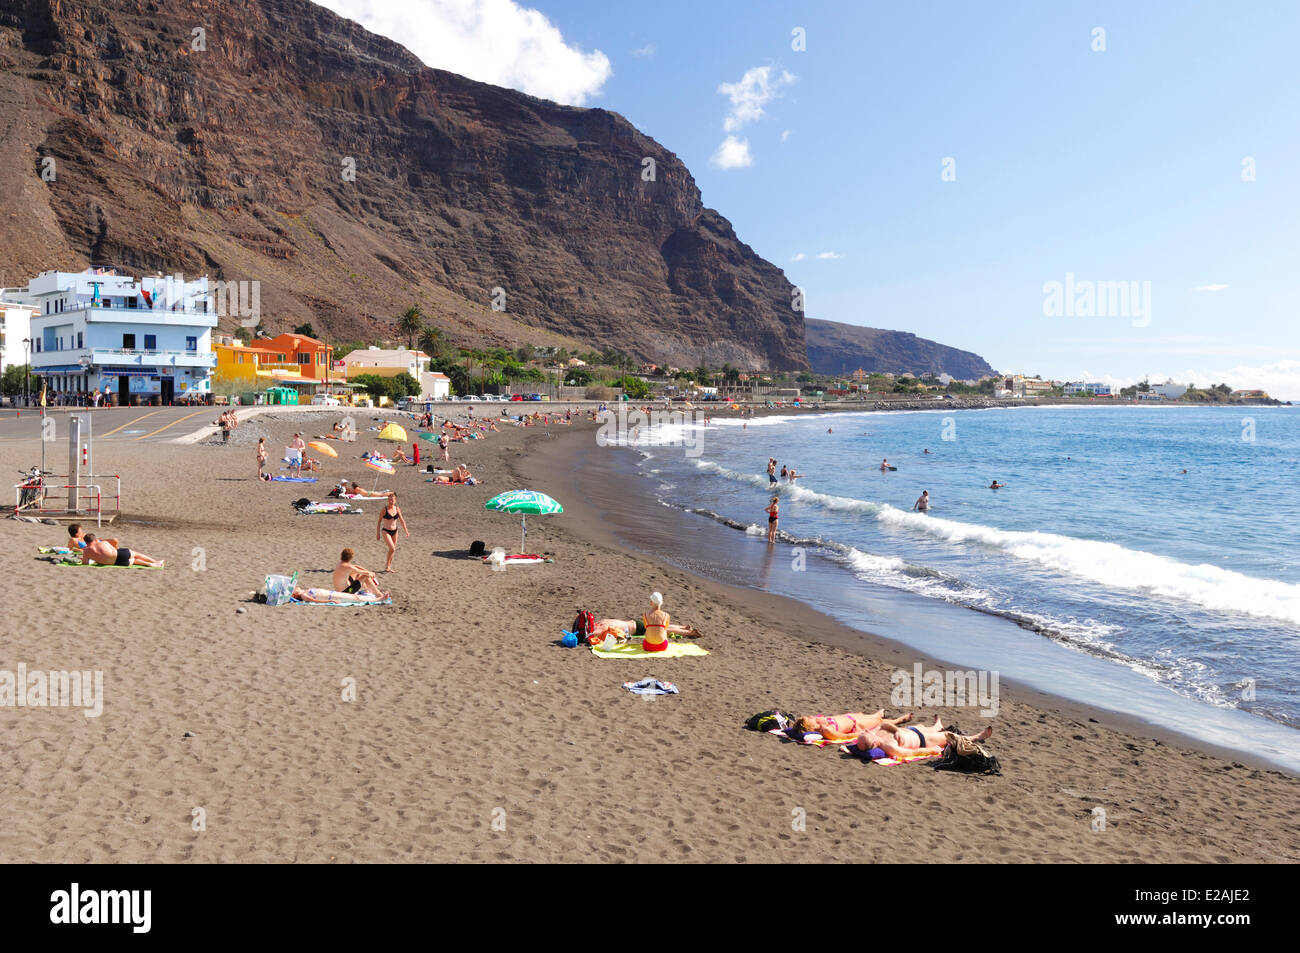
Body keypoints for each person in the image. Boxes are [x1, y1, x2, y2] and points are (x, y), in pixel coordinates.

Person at [82, 533, 163, 568]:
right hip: (119, 555)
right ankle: (155, 561)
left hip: (116, 563)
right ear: (95, 539)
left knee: (134, 561)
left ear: (86, 542)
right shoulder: (103, 543)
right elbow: (115, 547)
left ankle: (149, 564)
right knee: (135, 554)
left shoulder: (86, 551)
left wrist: (95, 560)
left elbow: (85, 563)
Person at [376, 492, 409, 572]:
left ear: (395, 500)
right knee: (392, 548)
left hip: (395, 531)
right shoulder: (384, 510)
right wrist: (378, 533)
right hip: (386, 531)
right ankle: (387, 566)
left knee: (392, 550)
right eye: (389, 499)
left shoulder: (397, 509)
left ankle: (388, 567)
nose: (391, 501)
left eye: (392, 499)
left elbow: (402, 520)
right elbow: (379, 521)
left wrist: (406, 531)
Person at [290, 585, 387, 604]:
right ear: (295, 594)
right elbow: (315, 601)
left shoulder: (303, 591)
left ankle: (377, 598)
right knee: (355, 598)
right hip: (332, 597)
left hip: (332, 593)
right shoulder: (303, 596)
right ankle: (378, 599)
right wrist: (330, 601)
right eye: (293, 589)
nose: (295, 587)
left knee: (354, 596)